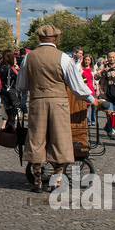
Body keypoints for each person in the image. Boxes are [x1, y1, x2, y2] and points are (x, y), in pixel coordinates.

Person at [21, 25, 96, 191]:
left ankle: (38, 180)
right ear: (56, 38)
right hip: (59, 104)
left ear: (39, 38)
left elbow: (21, 85)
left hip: (37, 102)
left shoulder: (29, 57)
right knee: (60, 140)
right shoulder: (63, 58)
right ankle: (57, 180)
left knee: (36, 140)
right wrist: (92, 98)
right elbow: (77, 86)